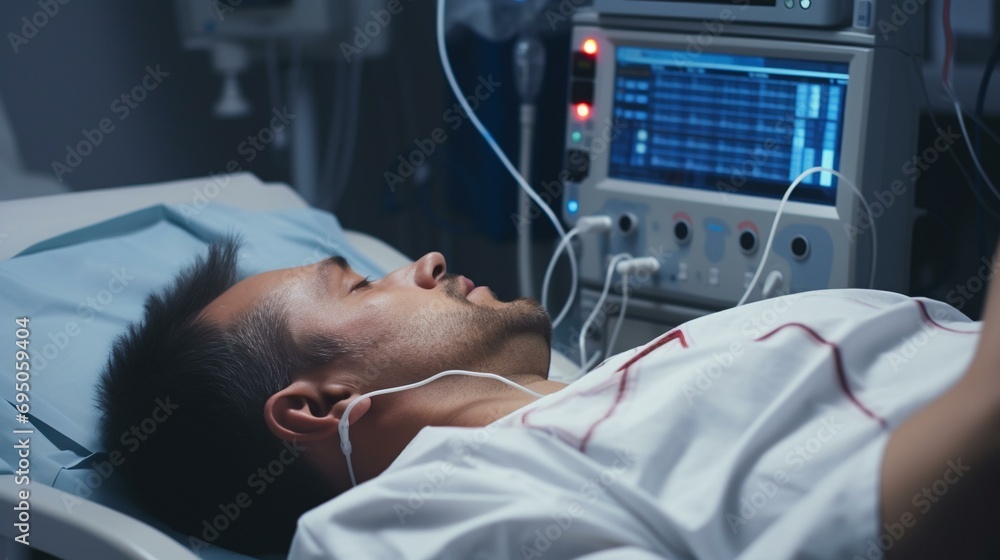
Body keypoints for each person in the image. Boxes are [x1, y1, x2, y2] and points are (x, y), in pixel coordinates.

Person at [97, 236, 1000, 559]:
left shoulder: (622, 381)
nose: (424, 263)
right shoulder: (402, 525)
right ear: (313, 408)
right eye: (362, 286)